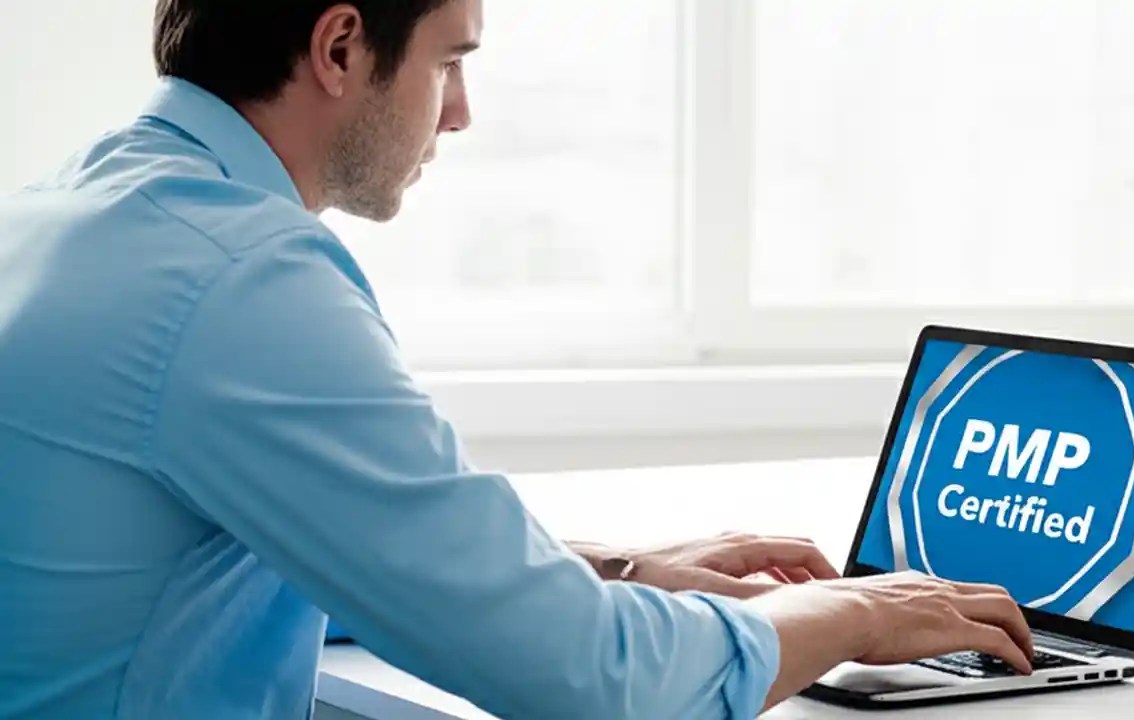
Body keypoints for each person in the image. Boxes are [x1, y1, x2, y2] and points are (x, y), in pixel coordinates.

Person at [0, 1, 1034, 717]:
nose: (459, 112)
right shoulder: (242, 279)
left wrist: (618, 572)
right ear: (342, 46)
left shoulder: (65, 215)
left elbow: (305, 541)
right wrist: (849, 608)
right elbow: (593, 685)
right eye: (451, 60)